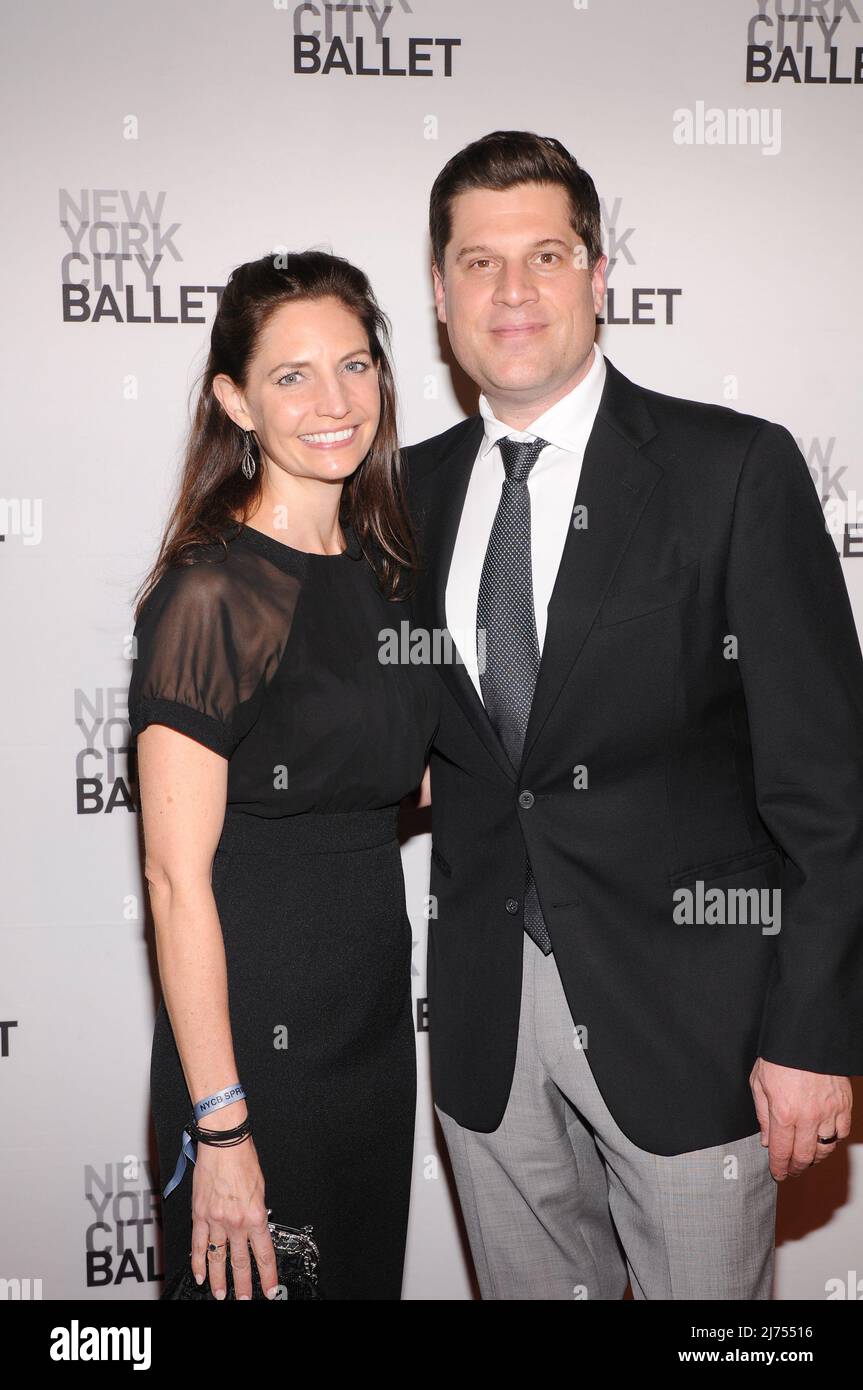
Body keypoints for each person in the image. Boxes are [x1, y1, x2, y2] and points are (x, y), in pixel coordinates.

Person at [404, 129, 863, 1300]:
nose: (511, 292)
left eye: (545, 255)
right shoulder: (400, 496)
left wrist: (813, 1035)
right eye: (476, 262)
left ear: (599, 277)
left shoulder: (732, 471)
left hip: (695, 1027)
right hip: (482, 1028)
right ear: (440, 292)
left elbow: (825, 781)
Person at [128, 250, 437, 1300]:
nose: (333, 402)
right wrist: (222, 1125)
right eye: (292, 375)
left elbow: (407, 781)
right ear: (235, 400)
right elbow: (174, 882)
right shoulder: (213, 596)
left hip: (368, 1038)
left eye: (354, 366)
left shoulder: (391, 578)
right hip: (252, 1049)